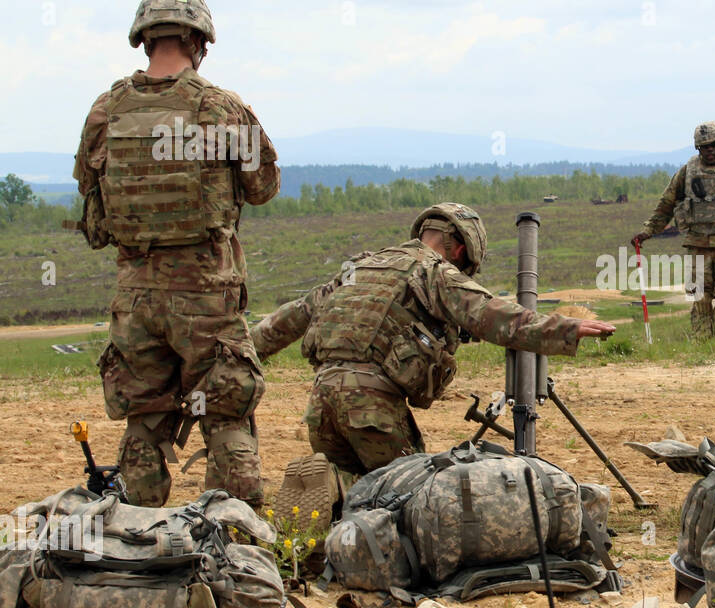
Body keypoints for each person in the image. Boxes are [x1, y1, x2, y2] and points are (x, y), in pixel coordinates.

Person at [71, 0, 279, 508]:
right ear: (198, 40)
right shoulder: (221, 109)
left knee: (144, 419)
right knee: (225, 412)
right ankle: (237, 545)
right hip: (206, 297)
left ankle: (135, 541)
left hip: (136, 298)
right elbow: (262, 188)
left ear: (144, 40)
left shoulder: (107, 110)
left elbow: (94, 219)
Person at [251, 203, 615, 476]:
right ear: (459, 250)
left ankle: (328, 534)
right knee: (407, 493)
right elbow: (494, 318)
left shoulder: (361, 267)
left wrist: (240, 354)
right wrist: (566, 328)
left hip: (320, 404)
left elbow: (292, 317)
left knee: (351, 494)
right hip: (370, 408)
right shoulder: (434, 272)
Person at [632, 121, 715, 337]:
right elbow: (666, 205)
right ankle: (701, 343)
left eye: (713, 145)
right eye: (704, 146)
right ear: (698, 148)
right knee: (699, 295)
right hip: (697, 245)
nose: (709, 150)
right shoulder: (687, 172)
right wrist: (647, 231)